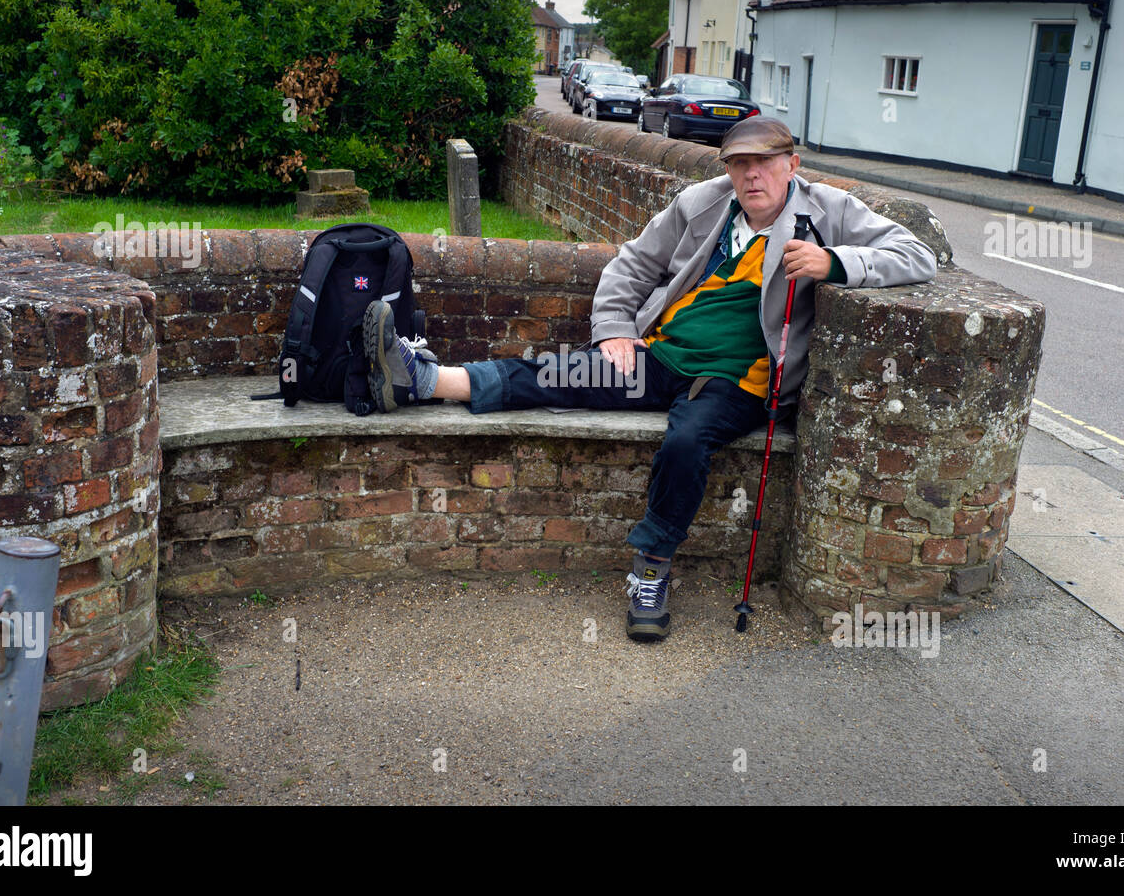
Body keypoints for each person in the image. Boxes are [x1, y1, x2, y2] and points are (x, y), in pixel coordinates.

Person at [361, 117, 937, 642]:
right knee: (559, 371)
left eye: (765, 162)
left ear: (793, 165)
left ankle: (651, 572)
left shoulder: (829, 210)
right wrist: (613, 326)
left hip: (741, 381)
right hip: (661, 354)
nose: (752, 174)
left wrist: (835, 262)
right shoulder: (703, 203)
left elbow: (917, 255)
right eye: (740, 163)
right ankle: (425, 379)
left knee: (686, 443)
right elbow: (633, 263)